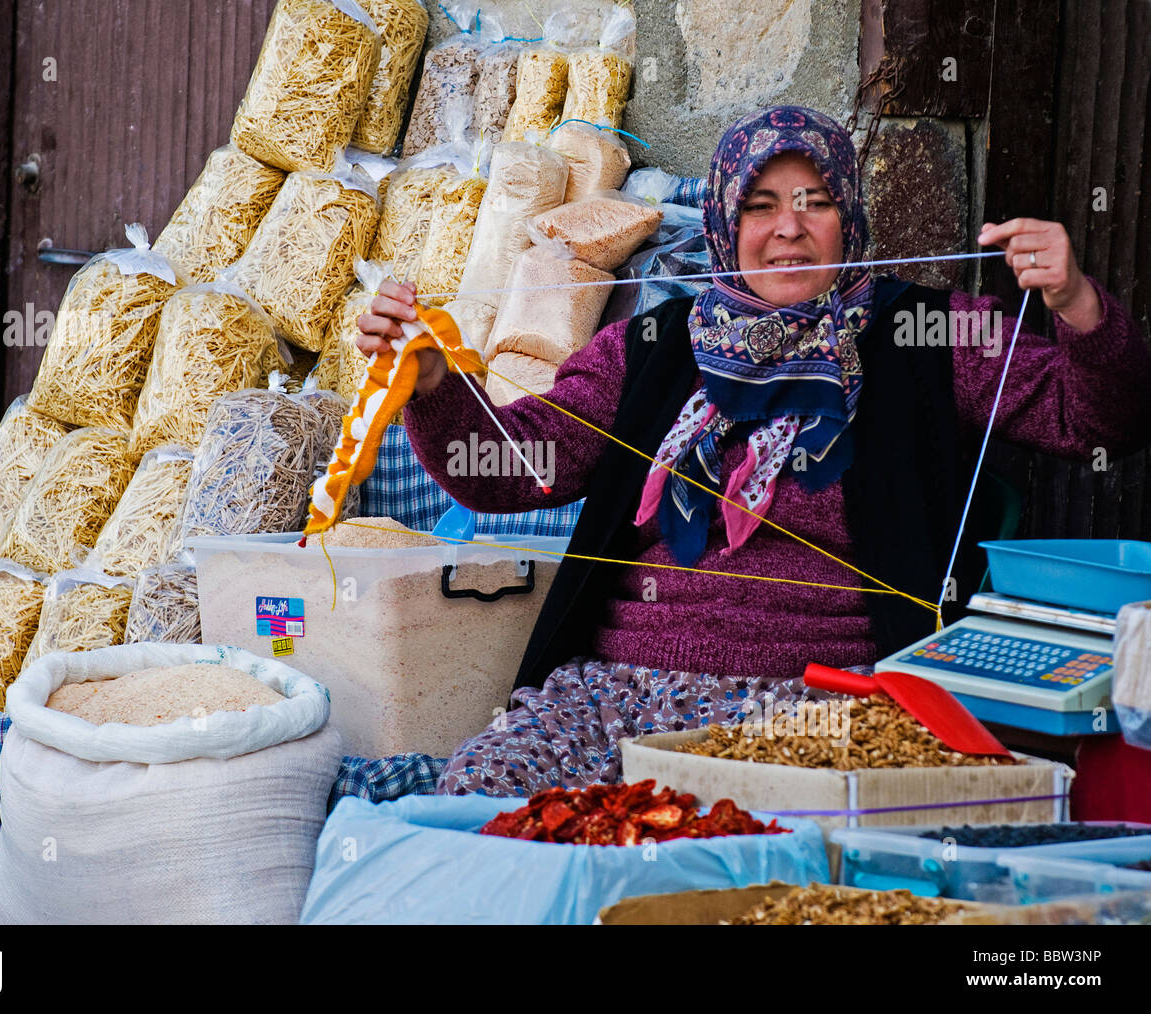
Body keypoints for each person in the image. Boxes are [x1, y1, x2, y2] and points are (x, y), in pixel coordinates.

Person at [356, 105, 1151, 797]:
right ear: (724, 224)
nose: (789, 229)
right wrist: (432, 385)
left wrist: (1075, 300)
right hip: (614, 693)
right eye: (761, 206)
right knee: (480, 799)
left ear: (852, 219)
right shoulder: (656, 347)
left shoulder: (928, 333)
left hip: (822, 699)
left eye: (817, 203)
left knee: (736, 850)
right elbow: (508, 473)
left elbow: (1095, 420)